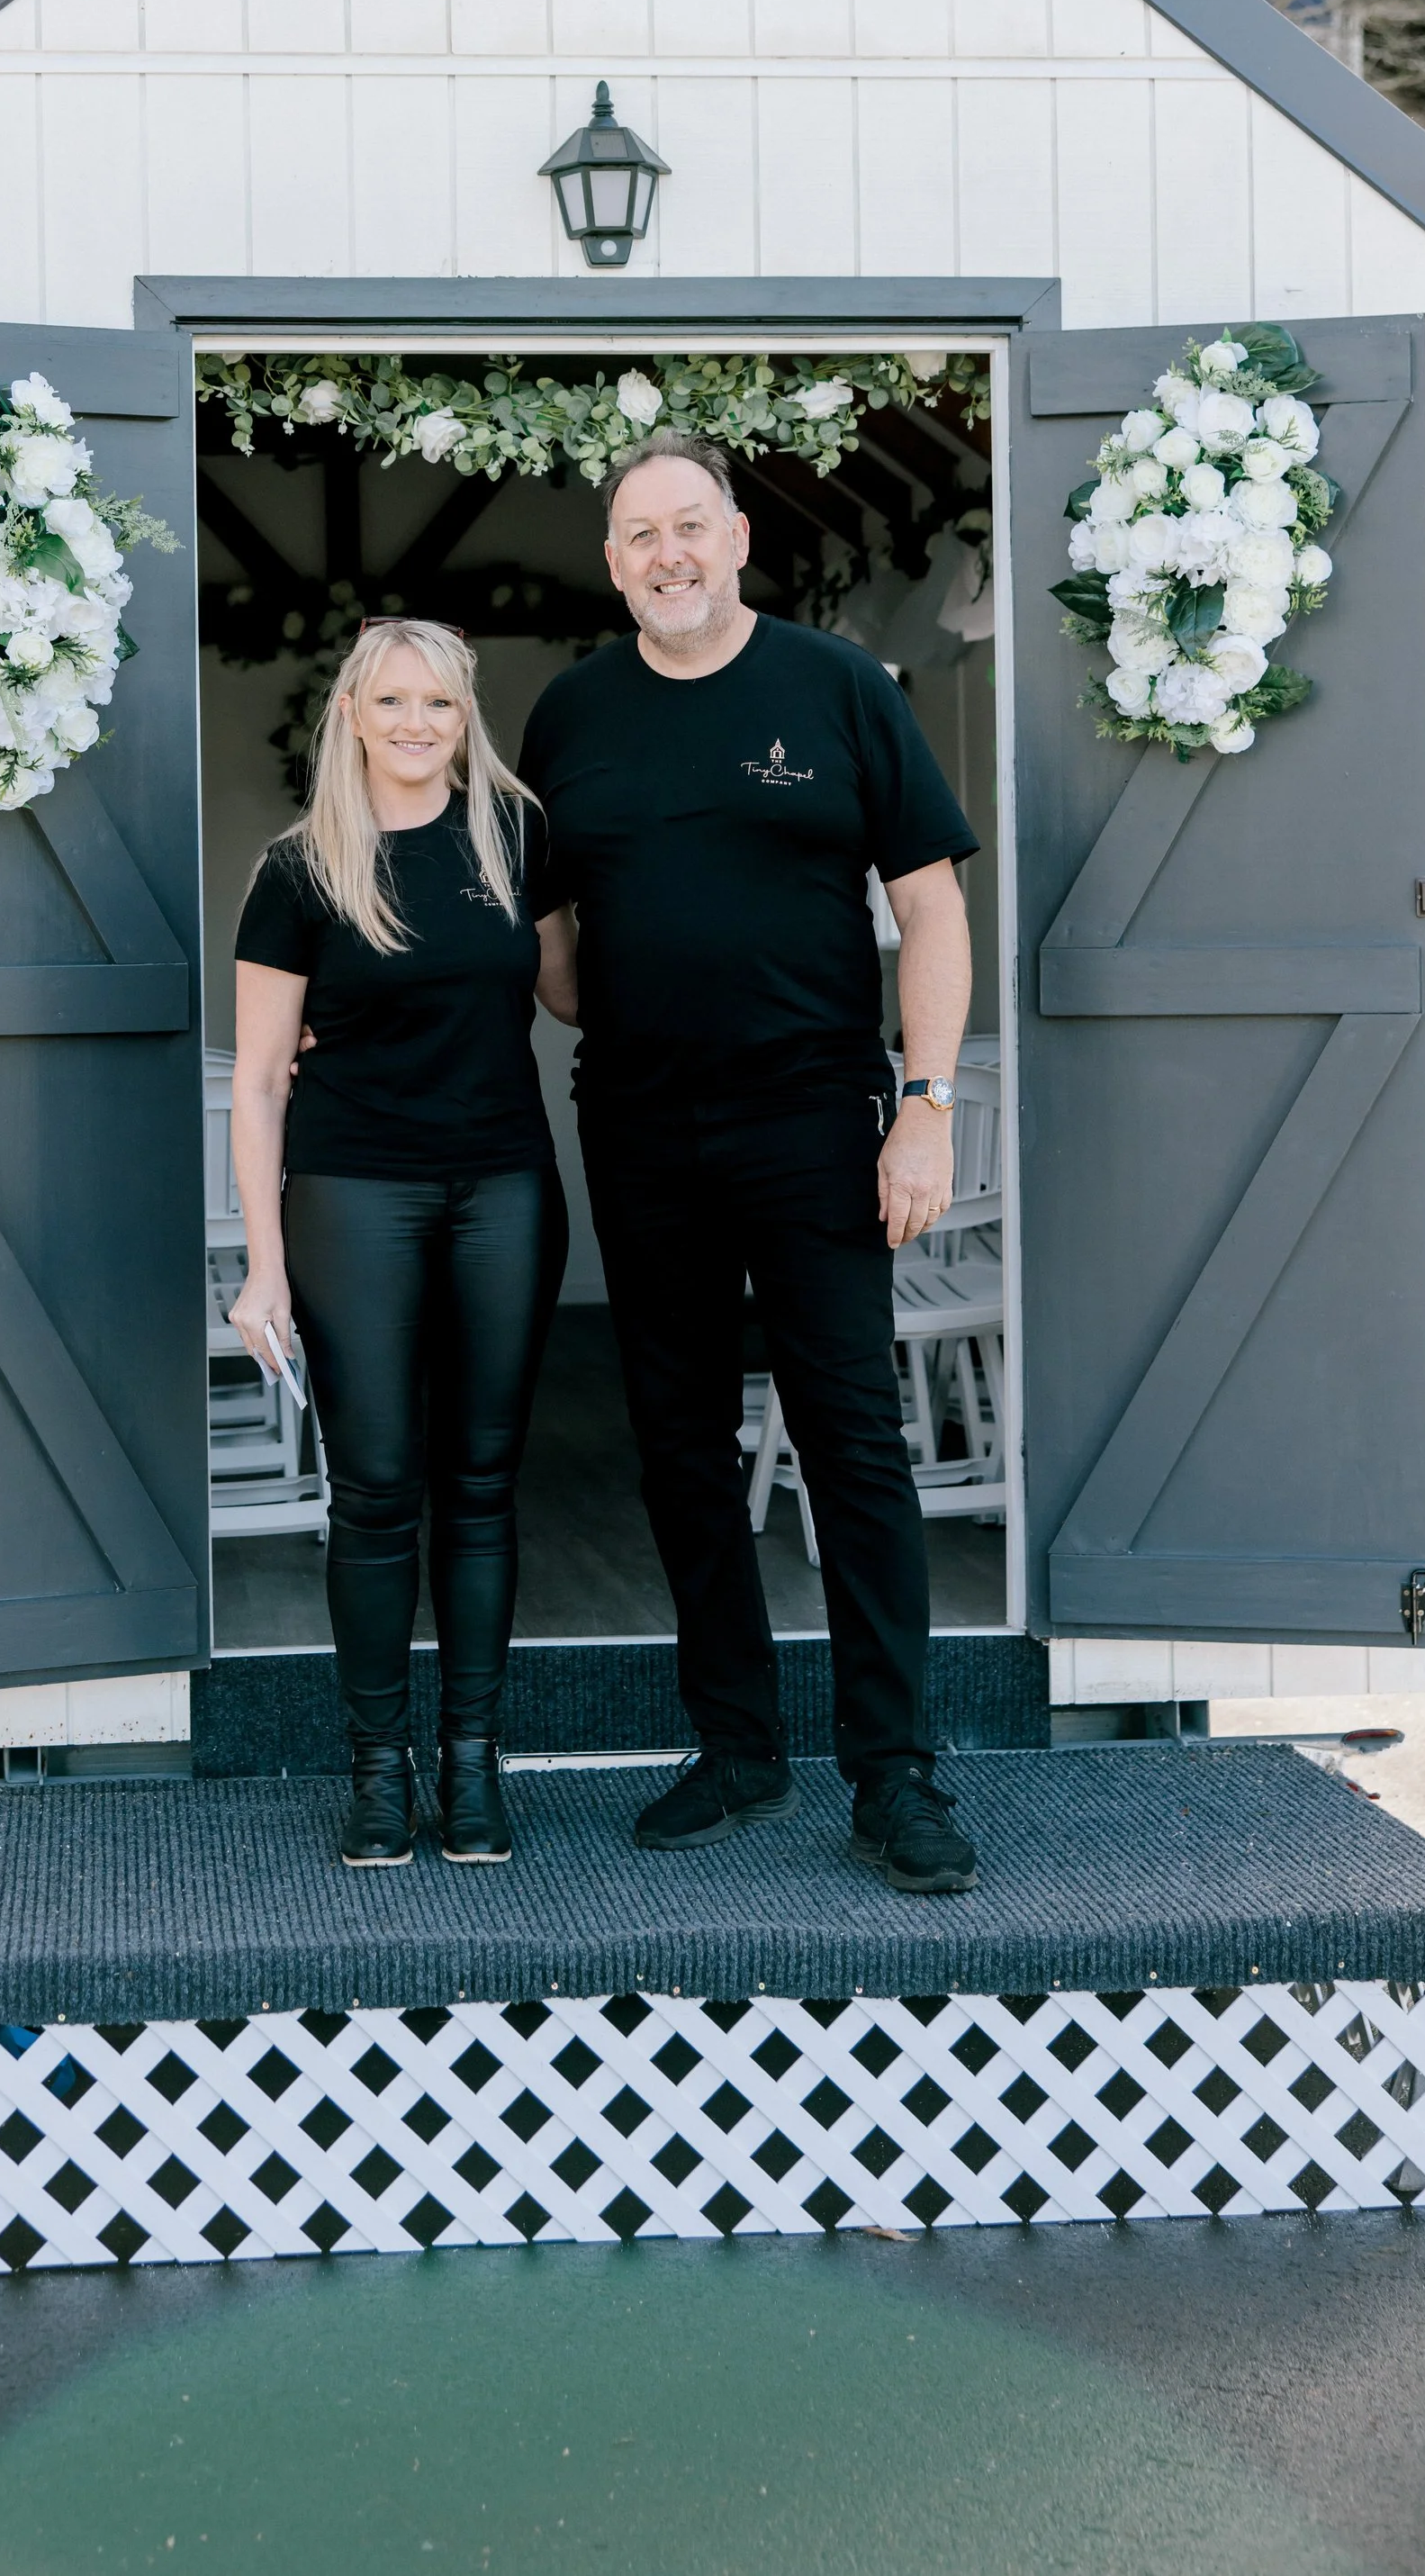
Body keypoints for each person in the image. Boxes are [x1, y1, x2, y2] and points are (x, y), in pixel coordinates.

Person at [521, 429, 980, 1894]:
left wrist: (926, 1105)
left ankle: (894, 1774)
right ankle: (738, 1747)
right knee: (679, 1442)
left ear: (735, 539)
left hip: (811, 1116)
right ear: (615, 565)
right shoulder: (572, 715)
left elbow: (932, 909)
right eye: (639, 535)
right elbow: (552, 946)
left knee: (852, 1440)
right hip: (639, 1122)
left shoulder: (838, 687)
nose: (667, 554)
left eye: (689, 526)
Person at [229, 619, 570, 1872]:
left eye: (438, 703)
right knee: (374, 1491)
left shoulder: (517, 837)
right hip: (353, 1193)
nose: (416, 724)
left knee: (481, 1487)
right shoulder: (298, 871)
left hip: (503, 1190)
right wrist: (264, 1266)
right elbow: (258, 1080)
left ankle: (472, 1766)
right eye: (391, 702)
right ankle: (381, 1774)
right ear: (352, 717)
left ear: (464, 713)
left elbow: (576, 990)